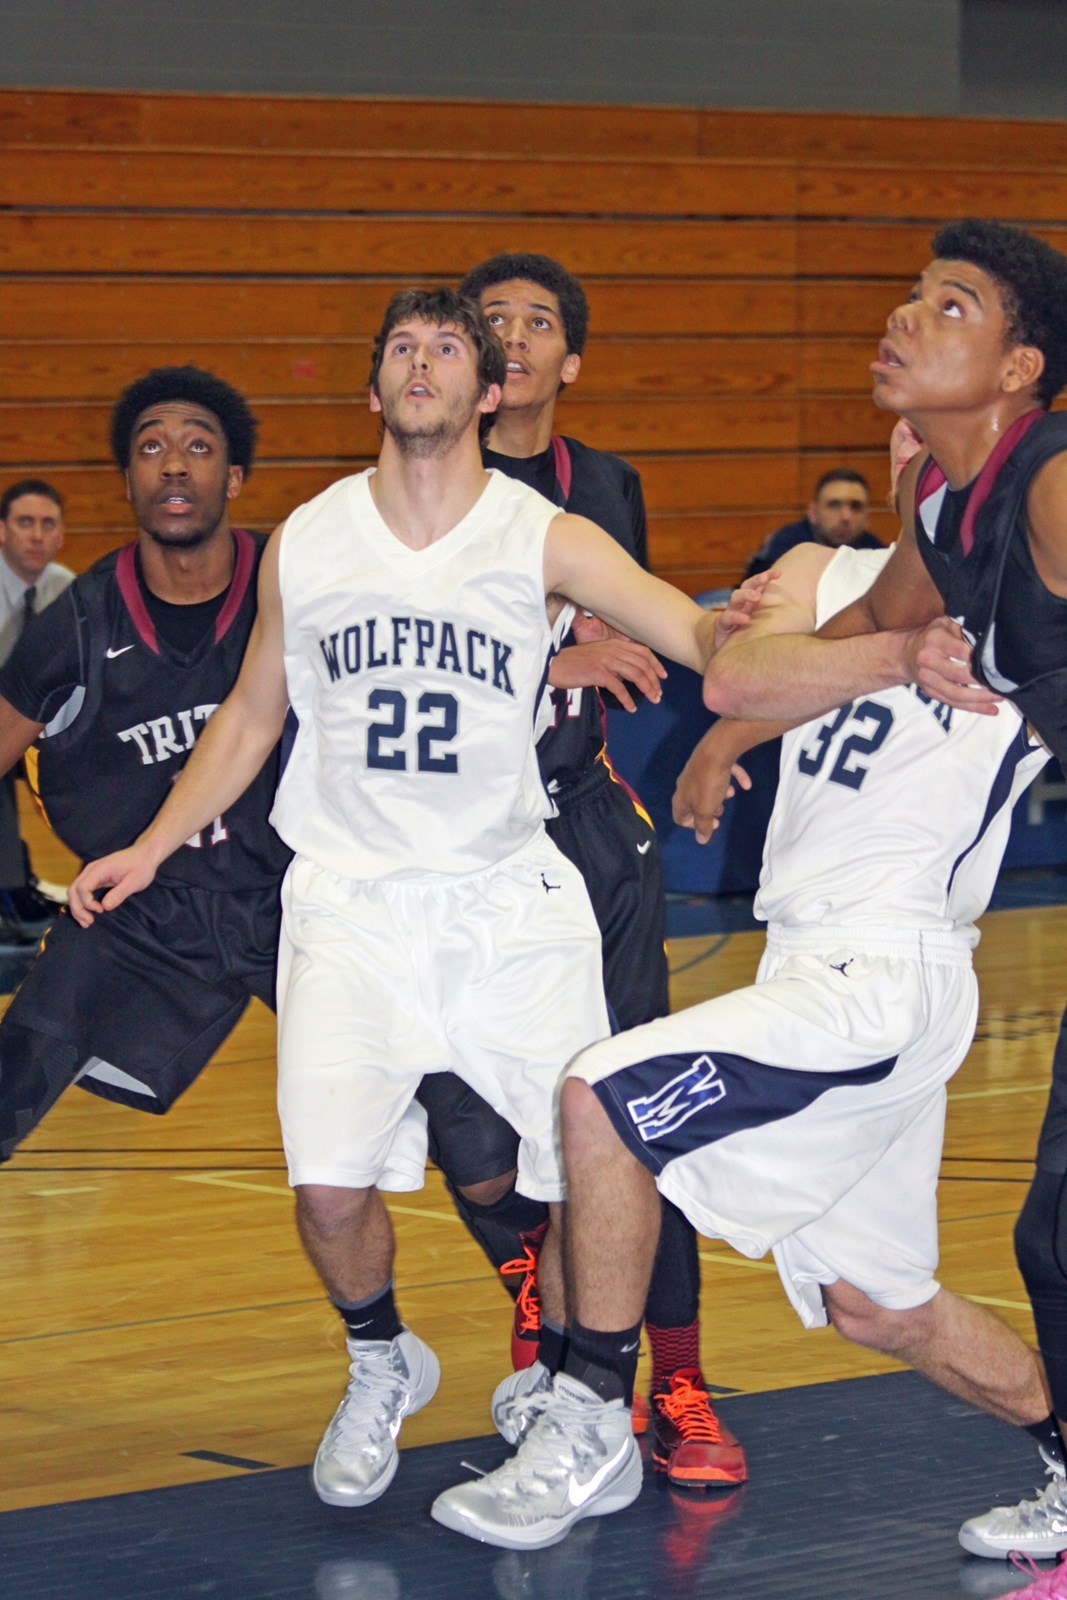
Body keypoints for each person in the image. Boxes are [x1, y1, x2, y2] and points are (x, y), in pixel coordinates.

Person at [67, 288, 726, 1517]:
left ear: (488, 395)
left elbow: (695, 635)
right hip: (348, 906)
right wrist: (154, 845)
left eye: (447, 352)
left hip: (506, 898)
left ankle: (588, 1408)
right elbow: (254, 714)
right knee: (326, 1188)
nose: (422, 365)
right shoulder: (310, 540)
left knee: (589, 1162)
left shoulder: (545, 536)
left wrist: (782, 645)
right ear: (372, 392)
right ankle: (382, 1355)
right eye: (402, 350)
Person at [429, 512, 1055, 1553]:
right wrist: (728, 732)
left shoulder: (1028, 602)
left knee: (601, 1100)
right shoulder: (822, 573)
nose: (904, 425)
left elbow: (756, 674)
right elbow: (736, 675)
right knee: (873, 1302)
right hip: (811, 959)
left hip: (881, 971)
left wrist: (743, 710)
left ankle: (588, 1418)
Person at [698, 219, 1067, 1593]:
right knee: (1044, 1233)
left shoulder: (1045, 483)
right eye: (909, 296)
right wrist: (721, 736)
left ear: (1019, 367)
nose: (907, 316)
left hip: (900, 941)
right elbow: (846, 652)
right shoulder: (940, 521)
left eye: (948, 304)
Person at [409, 251, 740, 1487]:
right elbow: (416, 677)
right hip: (449, 845)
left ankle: (681, 1381)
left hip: (582, 828)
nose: (506, 335)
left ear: (568, 361)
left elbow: (628, 632)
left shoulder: (603, 485)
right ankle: (541, 1280)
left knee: (630, 1116)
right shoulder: (415, 483)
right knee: (470, 1130)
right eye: (484, 318)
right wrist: (549, 667)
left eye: (533, 321)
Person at [0, 366, 290, 1163]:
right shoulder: (77, 623)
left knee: (462, 1130)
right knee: (10, 1077)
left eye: (197, 447)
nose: (172, 464)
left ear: (232, 477)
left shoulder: (300, 583)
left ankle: (538, 1278)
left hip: (303, 900)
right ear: (126, 478)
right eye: (150, 447)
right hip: (141, 907)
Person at [0, 479, 75, 938]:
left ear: (61, 535)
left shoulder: (67, 588)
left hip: (42, 722)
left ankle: (110, 880)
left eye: (48, 525)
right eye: (25, 523)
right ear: (2, 531)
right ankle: (9, 894)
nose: (36, 535)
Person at [743, 468, 882, 580]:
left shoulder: (876, 551)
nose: (846, 516)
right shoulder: (784, 545)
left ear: (867, 517)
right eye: (834, 505)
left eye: (856, 506)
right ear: (813, 513)